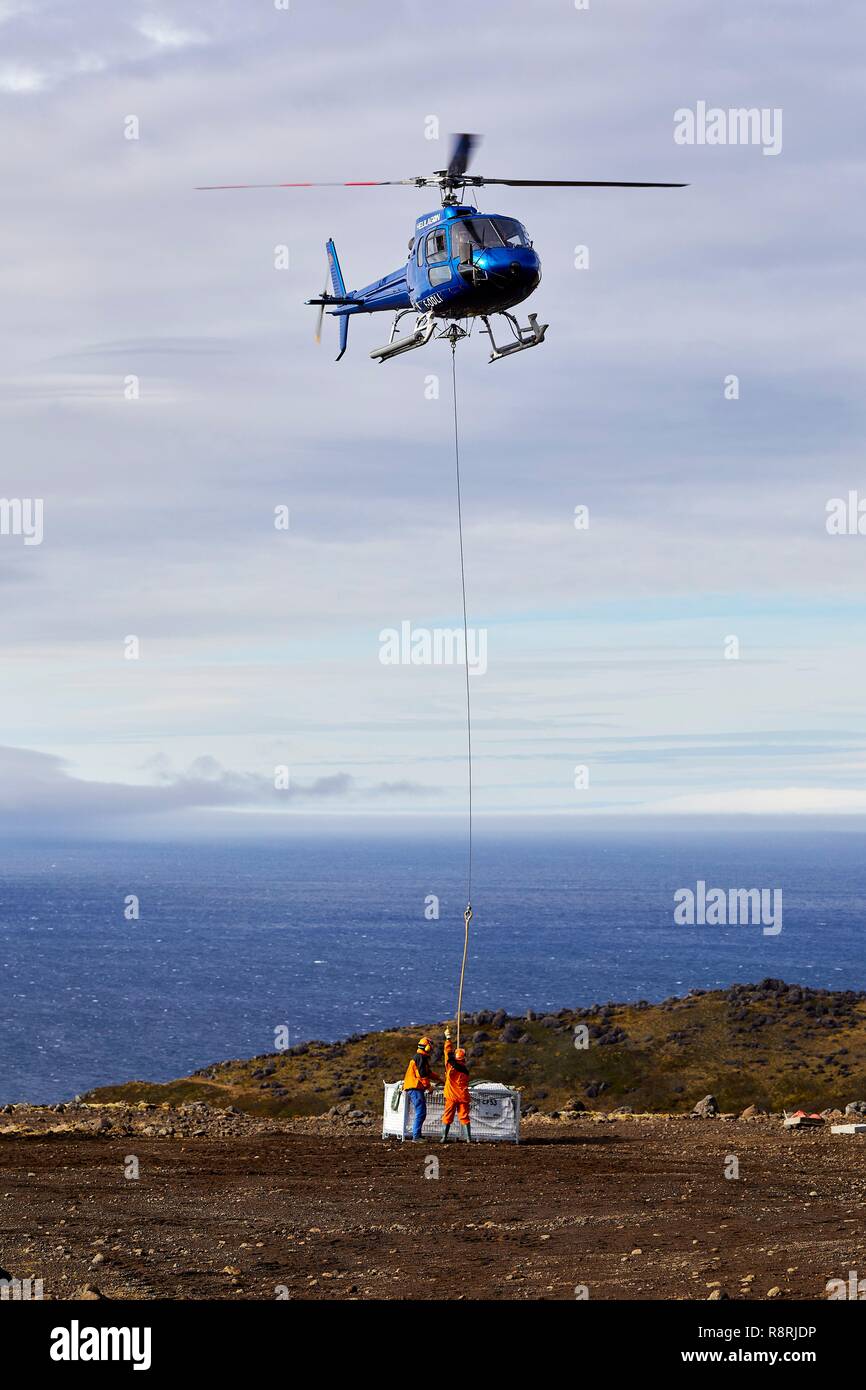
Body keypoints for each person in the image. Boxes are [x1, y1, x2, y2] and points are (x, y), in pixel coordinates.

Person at [402, 1036, 442, 1142]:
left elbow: (428, 1073)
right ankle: (416, 1136)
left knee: (421, 1111)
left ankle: (417, 1135)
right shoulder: (420, 1058)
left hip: (415, 1087)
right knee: (421, 1111)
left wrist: (440, 1078)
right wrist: (429, 1087)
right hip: (414, 1087)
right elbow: (422, 1075)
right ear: (427, 1047)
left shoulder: (420, 1057)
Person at [442, 1026, 472, 1143]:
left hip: (451, 1096)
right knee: (464, 1117)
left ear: (456, 1057)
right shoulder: (465, 1070)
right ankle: (468, 1139)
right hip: (463, 1096)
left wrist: (448, 1038)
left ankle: (444, 1137)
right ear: (464, 1058)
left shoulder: (450, 1065)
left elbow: (447, 1052)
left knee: (448, 1117)